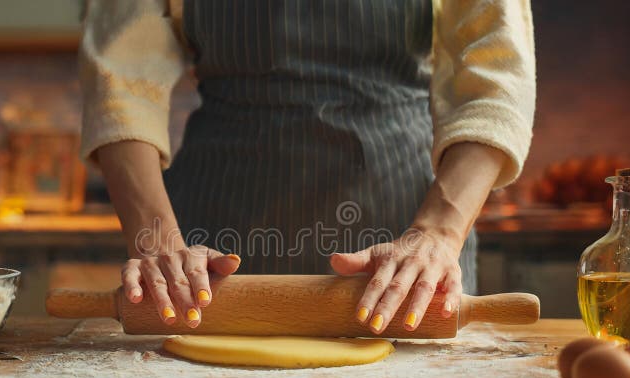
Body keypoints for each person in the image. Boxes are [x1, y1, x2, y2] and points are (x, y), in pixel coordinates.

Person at [80, 0, 535, 334]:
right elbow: (120, 78)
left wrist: (438, 233)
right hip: (207, 260)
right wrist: (157, 238)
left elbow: (496, 79)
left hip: (407, 246)